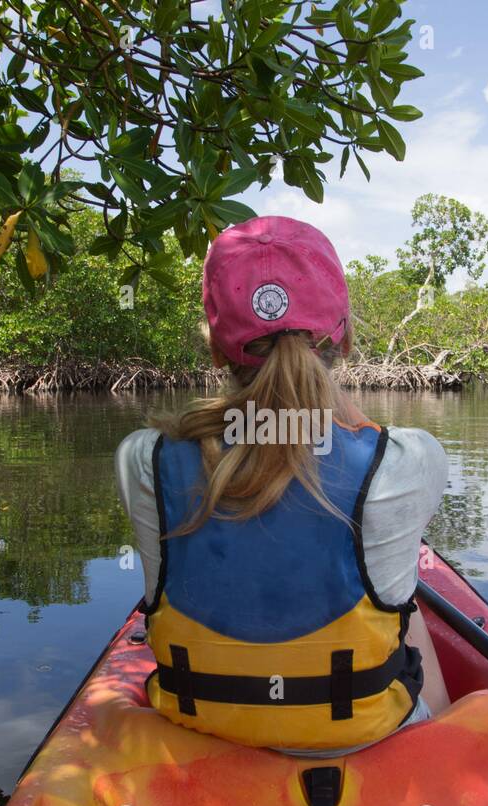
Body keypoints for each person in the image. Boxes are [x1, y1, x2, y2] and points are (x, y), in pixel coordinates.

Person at [115, 215, 449, 757]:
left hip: (197, 725)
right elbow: (324, 443)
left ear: (217, 349)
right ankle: (444, 750)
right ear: (342, 336)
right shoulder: (410, 460)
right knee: (404, 611)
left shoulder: (141, 459)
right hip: (359, 732)